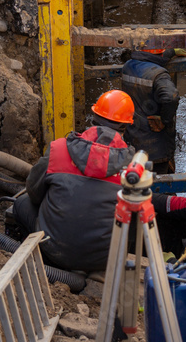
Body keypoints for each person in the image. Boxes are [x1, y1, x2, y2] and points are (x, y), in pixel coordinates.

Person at [12, 90, 135, 273]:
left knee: (22, 203)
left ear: (94, 117)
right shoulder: (133, 167)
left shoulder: (58, 149)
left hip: (53, 251)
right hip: (105, 260)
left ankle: (35, 260)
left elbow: (34, 193)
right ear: (126, 127)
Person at [121, 47, 183, 174]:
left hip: (132, 138)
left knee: (136, 178)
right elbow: (171, 97)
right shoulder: (159, 74)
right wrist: (164, 120)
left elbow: (148, 60)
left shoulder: (127, 66)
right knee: (159, 182)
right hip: (156, 145)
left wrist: (170, 53)